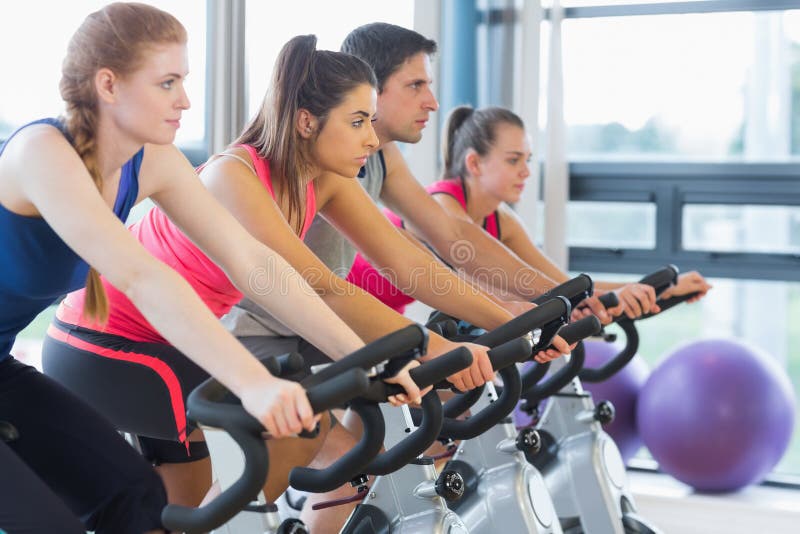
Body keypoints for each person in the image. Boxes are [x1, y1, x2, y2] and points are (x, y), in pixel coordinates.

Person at [40, 31, 432, 515]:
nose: (370, 139)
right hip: (107, 344)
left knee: (184, 500)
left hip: (161, 341)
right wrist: (379, 358)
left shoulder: (306, 178)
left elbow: (291, 277)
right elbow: (312, 285)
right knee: (293, 432)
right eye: (358, 122)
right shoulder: (234, 175)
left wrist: (373, 358)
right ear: (307, 121)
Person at [0, 3, 344, 532]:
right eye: (167, 83)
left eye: (183, 80)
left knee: (136, 497)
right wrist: (251, 381)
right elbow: (144, 277)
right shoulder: (42, 153)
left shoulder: (152, 160)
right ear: (109, 84)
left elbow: (250, 260)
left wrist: (365, 360)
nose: (185, 100)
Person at [349, 105, 713, 314]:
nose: (526, 172)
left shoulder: (502, 220)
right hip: (351, 296)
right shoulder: (444, 207)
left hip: (388, 310)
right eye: (513, 160)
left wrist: (654, 288)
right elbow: (477, 288)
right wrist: (609, 297)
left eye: (528, 159)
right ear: (474, 164)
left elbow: (559, 284)